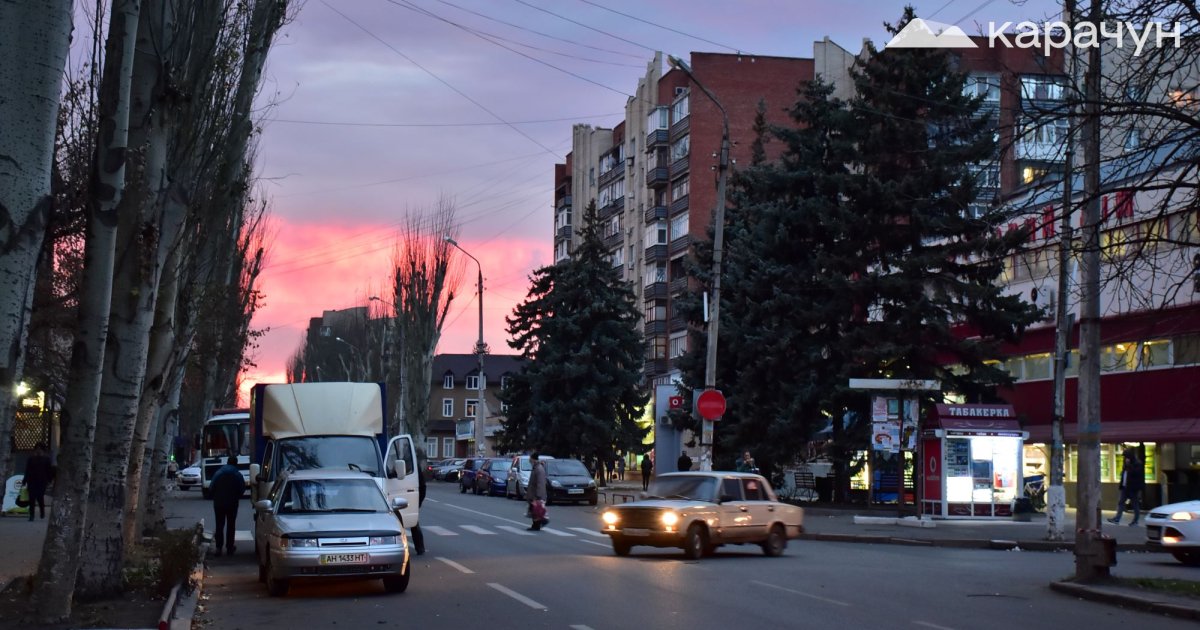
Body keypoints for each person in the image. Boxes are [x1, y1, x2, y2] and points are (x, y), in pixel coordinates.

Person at [209, 455, 245, 556]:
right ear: (236, 463)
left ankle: (218, 547)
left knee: (219, 525)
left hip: (219, 503)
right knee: (231, 525)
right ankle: (229, 547)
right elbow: (242, 489)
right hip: (232, 503)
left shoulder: (219, 473)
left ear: (227, 462)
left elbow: (211, 487)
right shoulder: (237, 474)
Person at [1109, 448, 1145, 526]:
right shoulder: (1125, 464)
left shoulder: (1137, 463)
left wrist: (1129, 466)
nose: (1125, 459)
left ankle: (1135, 521)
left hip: (1133, 488)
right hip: (1125, 487)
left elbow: (1136, 474)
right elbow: (1124, 475)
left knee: (1135, 504)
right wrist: (1121, 484)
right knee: (1121, 502)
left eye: (1126, 457)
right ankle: (1117, 519)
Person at [23, 444, 53, 521]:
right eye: (37, 449)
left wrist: (50, 480)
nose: (38, 450)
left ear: (43, 450)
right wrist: (25, 480)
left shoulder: (46, 459)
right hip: (32, 480)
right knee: (31, 498)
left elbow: (49, 471)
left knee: (40, 497)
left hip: (42, 481)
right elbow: (27, 470)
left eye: (40, 449)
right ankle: (31, 515)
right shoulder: (31, 459)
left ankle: (42, 512)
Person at [525, 452, 549, 531]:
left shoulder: (539, 468)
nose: (529, 459)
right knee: (534, 510)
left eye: (530, 458)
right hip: (533, 494)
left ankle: (539, 524)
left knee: (536, 510)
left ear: (533, 459)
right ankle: (535, 525)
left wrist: (538, 496)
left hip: (537, 494)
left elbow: (541, 483)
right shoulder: (535, 467)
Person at [409, 458, 427, 555]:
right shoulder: (413, 464)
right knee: (414, 524)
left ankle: (420, 548)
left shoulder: (413, 466)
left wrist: (418, 503)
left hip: (410, 498)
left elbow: (423, 486)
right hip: (408, 497)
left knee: (414, 524)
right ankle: (420, 548)